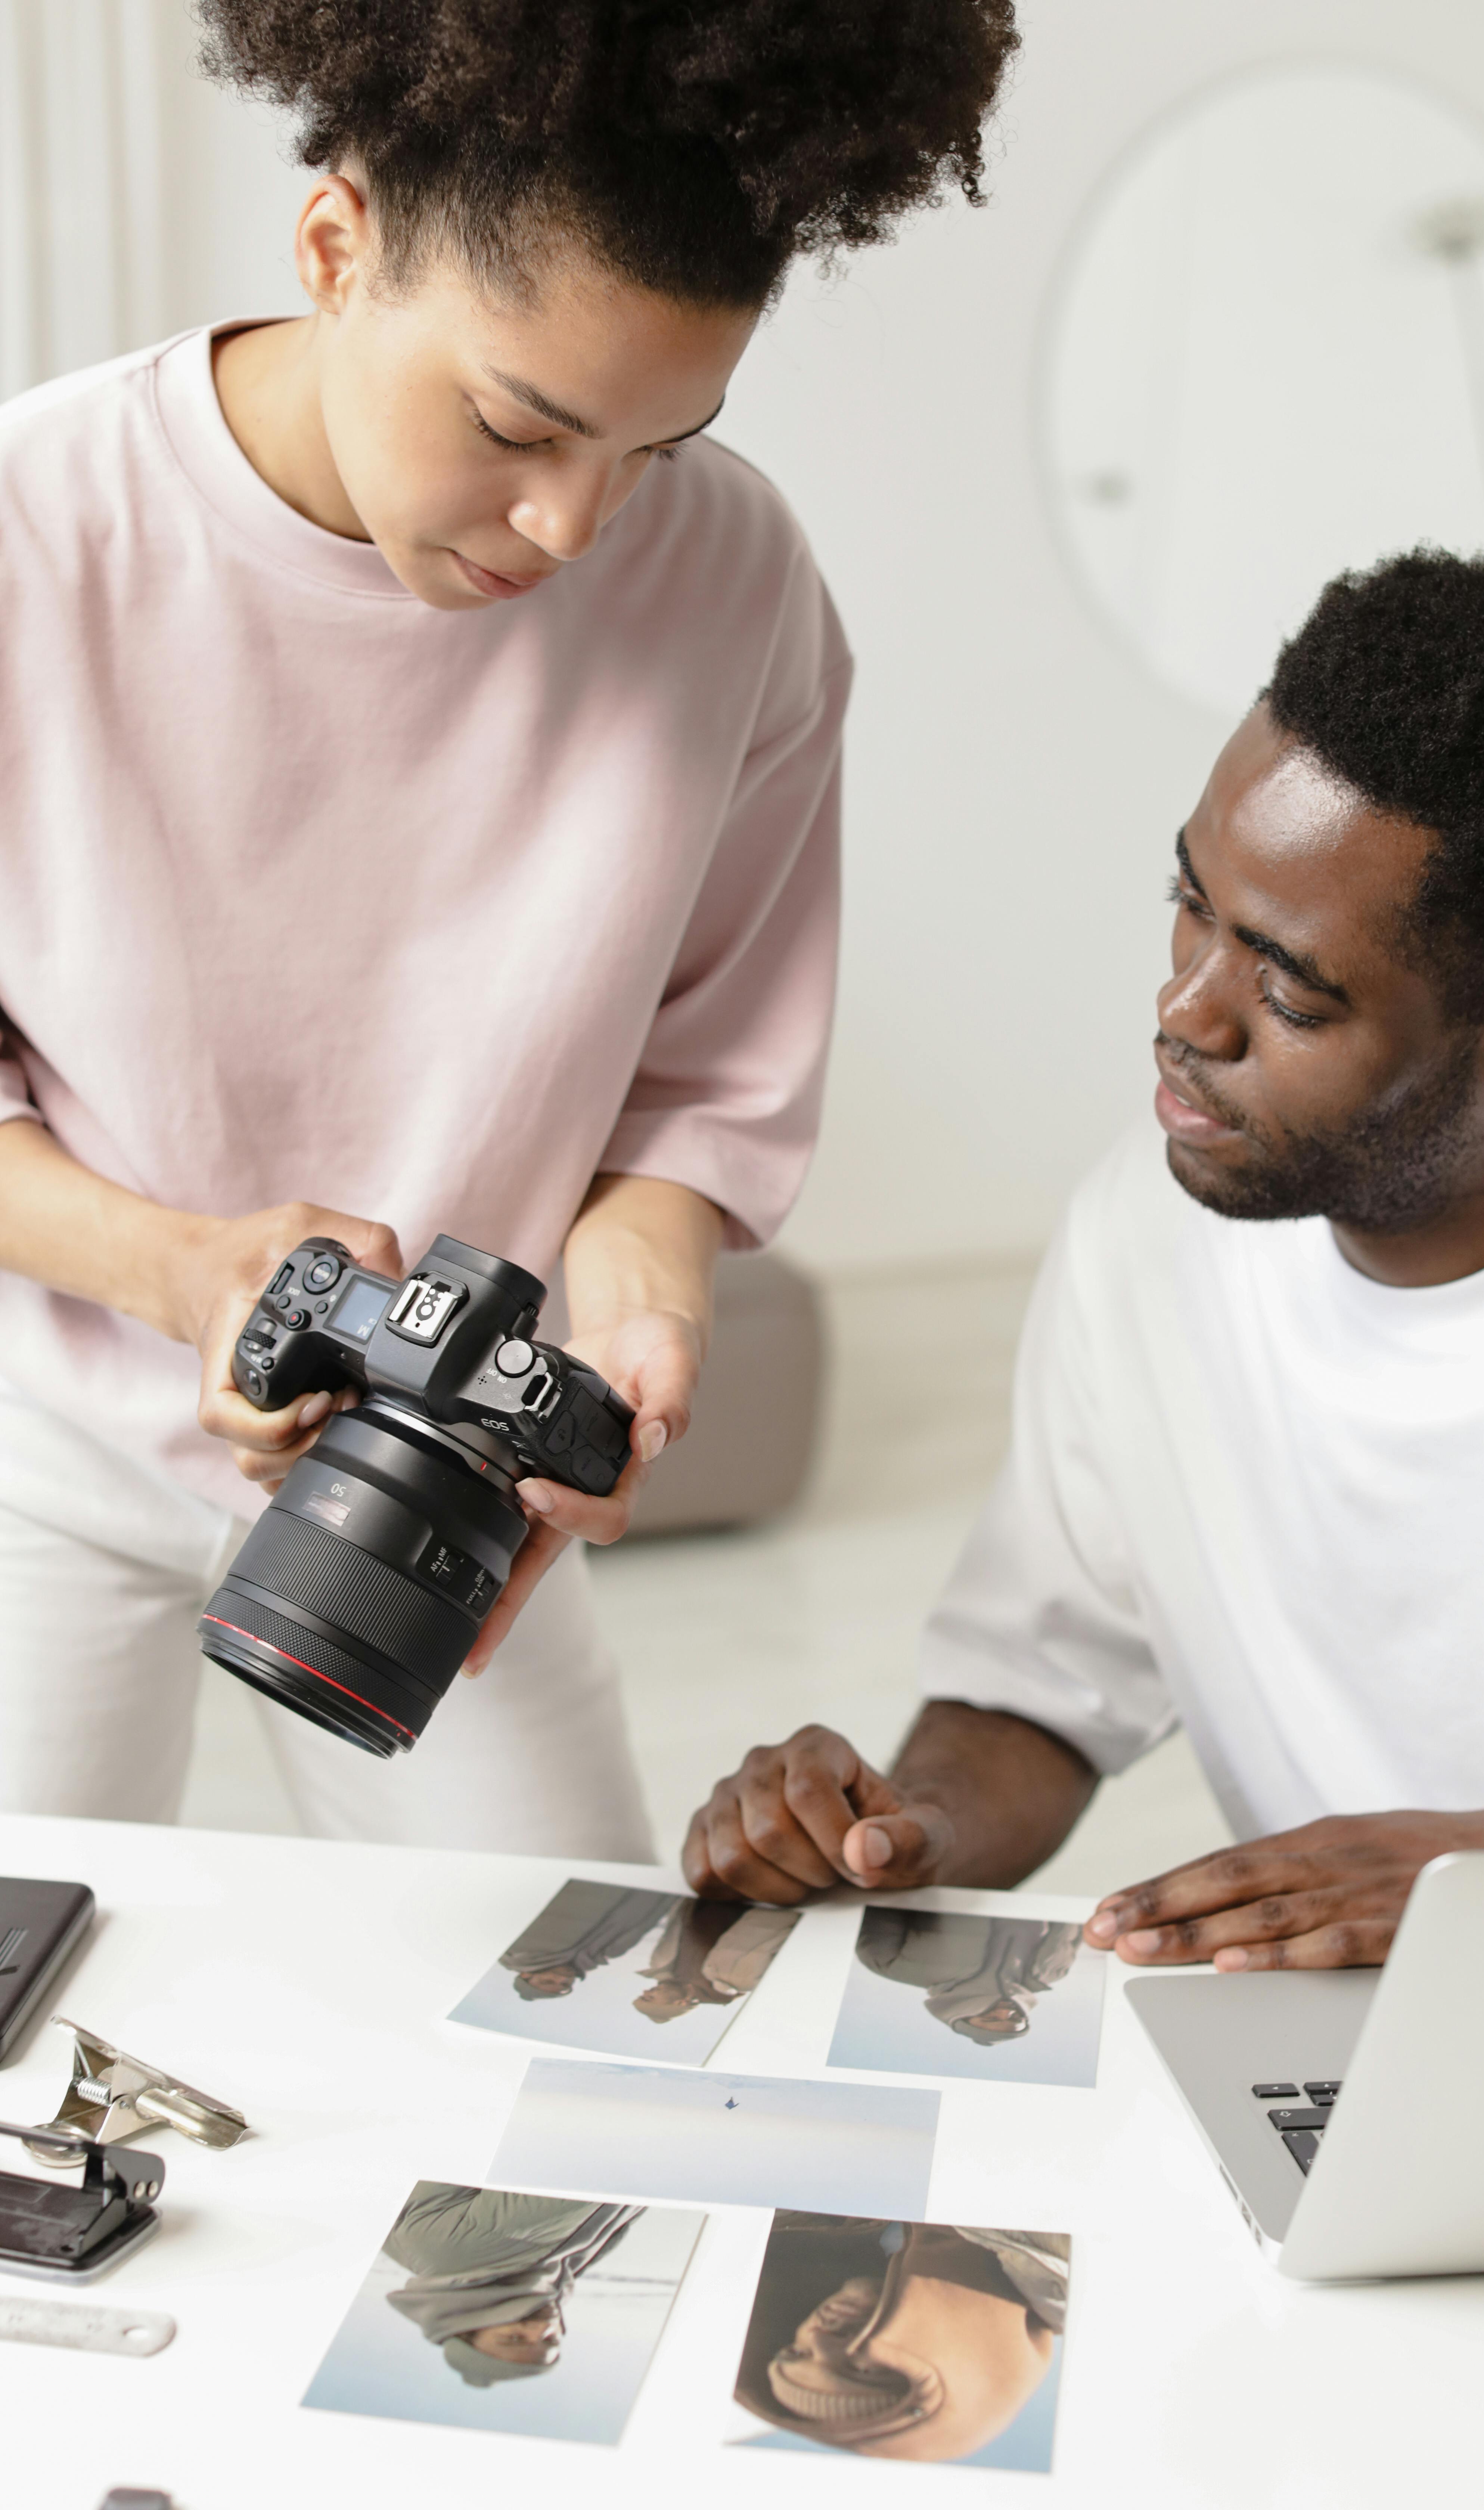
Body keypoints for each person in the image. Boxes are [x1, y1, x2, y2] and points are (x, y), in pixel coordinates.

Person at [0, 0, 1017, 1848]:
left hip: (450, 1472)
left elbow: (698, 1095)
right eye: (516, 423)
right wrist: (184, 1270)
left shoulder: (737, 589)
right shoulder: (33, 535)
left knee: (556, 2021)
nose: (571, 526)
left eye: (654, 446)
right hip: (40, 1442)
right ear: (337, 244)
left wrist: (644, 1296)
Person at [685, 550, 1484, 1965]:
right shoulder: (1145, 1238)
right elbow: (1038, 1689)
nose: (1183, 1009)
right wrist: (899, 1829)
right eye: (1189, 900)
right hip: (1324, 2053)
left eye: (1284, 988)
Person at [735, 2215, 1068, 2461]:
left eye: (796, 2351)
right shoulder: (1070, 2249)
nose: (820, 2338)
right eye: (862, 2370)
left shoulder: (809, 2214)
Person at [383, 2181, 640, 2387]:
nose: (542, 2329)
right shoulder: (556, 2271)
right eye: (550, 2340)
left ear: (465, 2328)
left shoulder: (457, 2252)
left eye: (515, 2338)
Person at [855, 1912, 1079, 2043]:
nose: (1006, 2012)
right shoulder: (1054, 1973)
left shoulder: (890, 1962)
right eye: (1015, 2019)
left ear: (958, 2015)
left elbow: (883, 1903)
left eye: (991, 2019)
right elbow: (1074, 1919)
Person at [498, 1880, 676, 2001]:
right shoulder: (604, 1954)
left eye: (548, 1981)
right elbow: (648, 1919)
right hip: (661, 1882)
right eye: (565, 1984)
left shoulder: (519, 1946)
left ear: (525, 1975)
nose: (562, 1978)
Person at [631, 1897, 797, 2022]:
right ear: (680, 2004)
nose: (646, 1991)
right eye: (649, 1998)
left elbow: (677, 1921)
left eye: (643, 1995)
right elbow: (781, 1938)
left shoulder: (660, 1965)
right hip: (766, 1897)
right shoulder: (737, 1983)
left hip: (709, 1891)